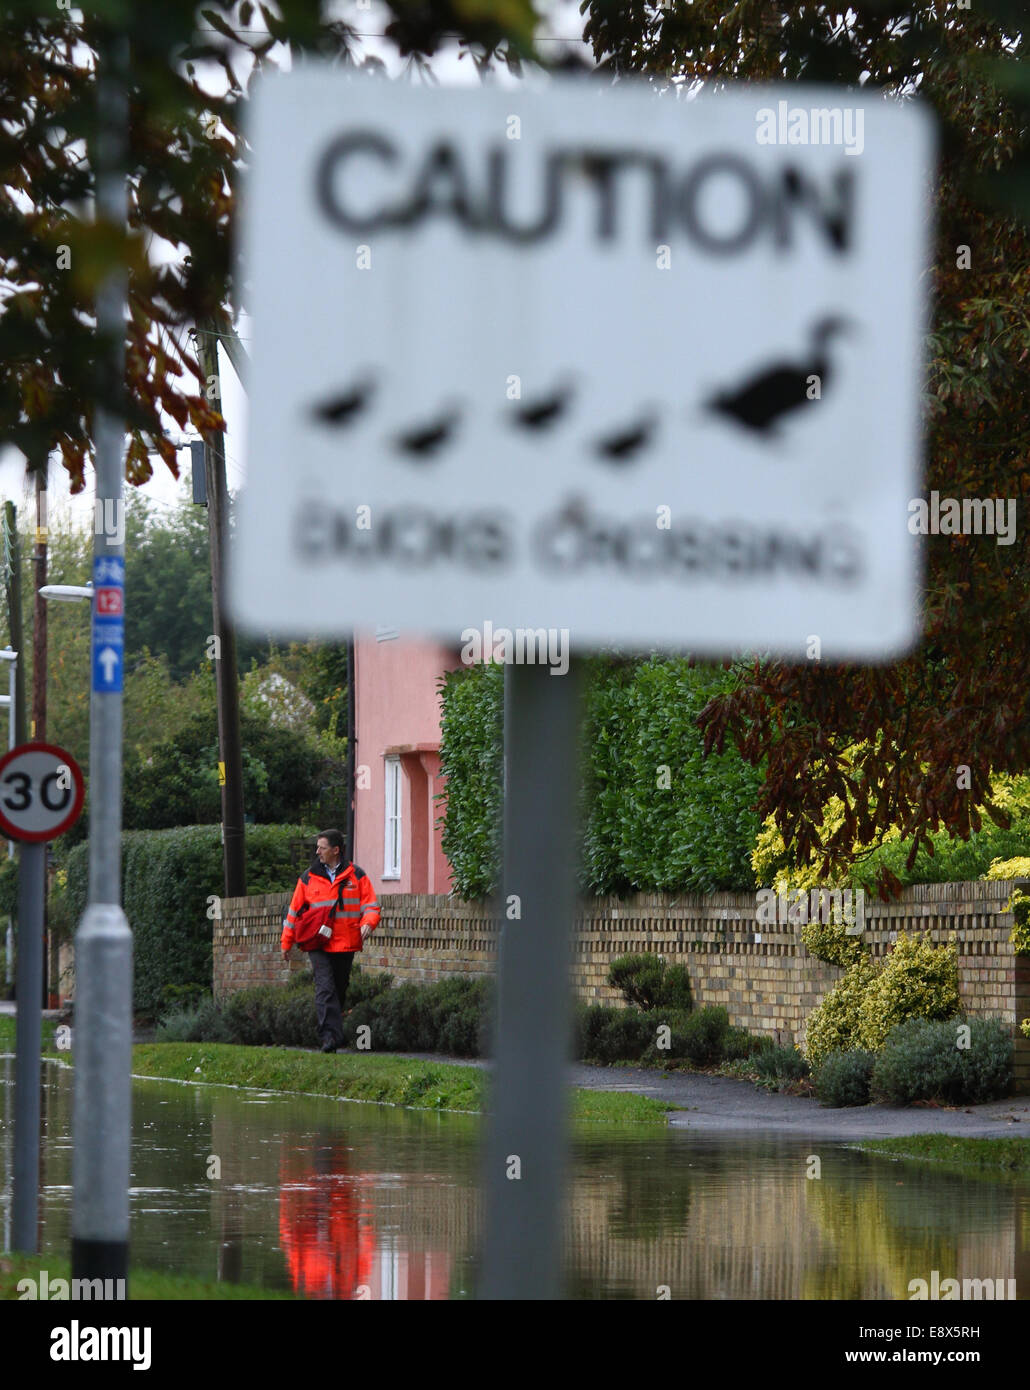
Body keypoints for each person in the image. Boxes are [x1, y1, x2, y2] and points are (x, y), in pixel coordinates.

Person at [281, 830, 381, 1053]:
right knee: (324, 988)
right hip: (318, 944)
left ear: (336, 850)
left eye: (322, 847)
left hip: (345, 943)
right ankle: (329, 1038)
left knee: (339, 988)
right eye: (317, 847)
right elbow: (294, 912)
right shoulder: (308, 878)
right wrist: (286, 943)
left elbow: (371, 906)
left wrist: (369, 923)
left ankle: (334, 1035)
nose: (317, 852)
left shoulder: (357, 876)